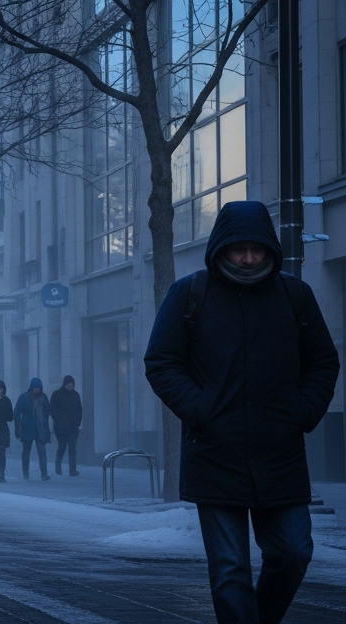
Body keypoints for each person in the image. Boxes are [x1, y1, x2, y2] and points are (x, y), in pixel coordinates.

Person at [145, 201, 339, 624]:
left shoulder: (295, 295)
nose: (249, 258)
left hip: (280, 453)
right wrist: (200, 409)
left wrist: (303, 412)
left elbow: (323, 362)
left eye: (257, 248)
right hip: (215, 453)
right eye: (239, 249)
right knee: (230, 569)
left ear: (271, 247)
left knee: (293, 552)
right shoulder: (190, 294)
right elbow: (161, 362)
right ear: (221, 249)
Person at [14, 377, 51, 481]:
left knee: (42, 451)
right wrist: (19, 427)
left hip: (40, 429)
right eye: (34, 387)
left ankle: (44, 474)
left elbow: (47, 414)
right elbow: (16, 413)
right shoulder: (24, 398)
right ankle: (25, 474)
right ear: (31, 388)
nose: (36, 389)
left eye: (38, 387)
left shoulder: (44, 398)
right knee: (26, 452)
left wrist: (48, 431)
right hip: (27, 429)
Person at [49, 375, 82, 476]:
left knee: (72, 448)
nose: (70, 388)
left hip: (72, 427)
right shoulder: (57, 395)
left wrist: (77, 423)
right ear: (64, 385)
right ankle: (58, 467)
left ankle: (72, 470)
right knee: (62, 447)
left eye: (71, 386)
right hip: (60, 428)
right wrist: (58, 420)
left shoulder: (76, 395)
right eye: (68, 386)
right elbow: (52, 410)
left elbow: (79, 410)